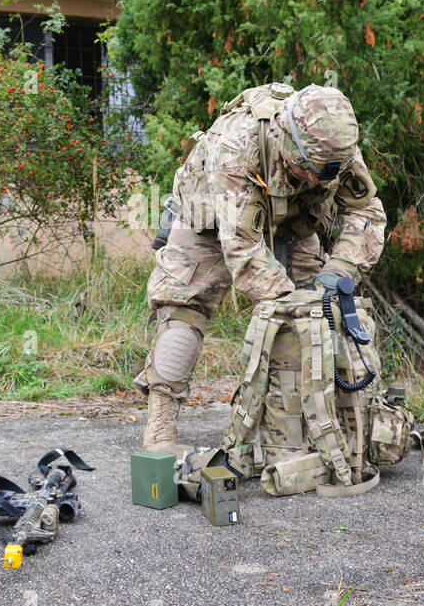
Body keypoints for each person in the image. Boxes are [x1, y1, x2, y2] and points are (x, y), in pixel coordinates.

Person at [134, 82, 387, 449]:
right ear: (287, 139)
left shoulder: (334, 145)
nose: (314, 180)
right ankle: (160, 428)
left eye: (322, 175)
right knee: (184, 308)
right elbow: (244, 248)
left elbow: (365, 212)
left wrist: (339, 270)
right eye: (306, 170)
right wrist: (289, 305)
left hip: (292, 224)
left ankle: (309, 425)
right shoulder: (235, 146)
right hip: (211, 220)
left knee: (323, 311)